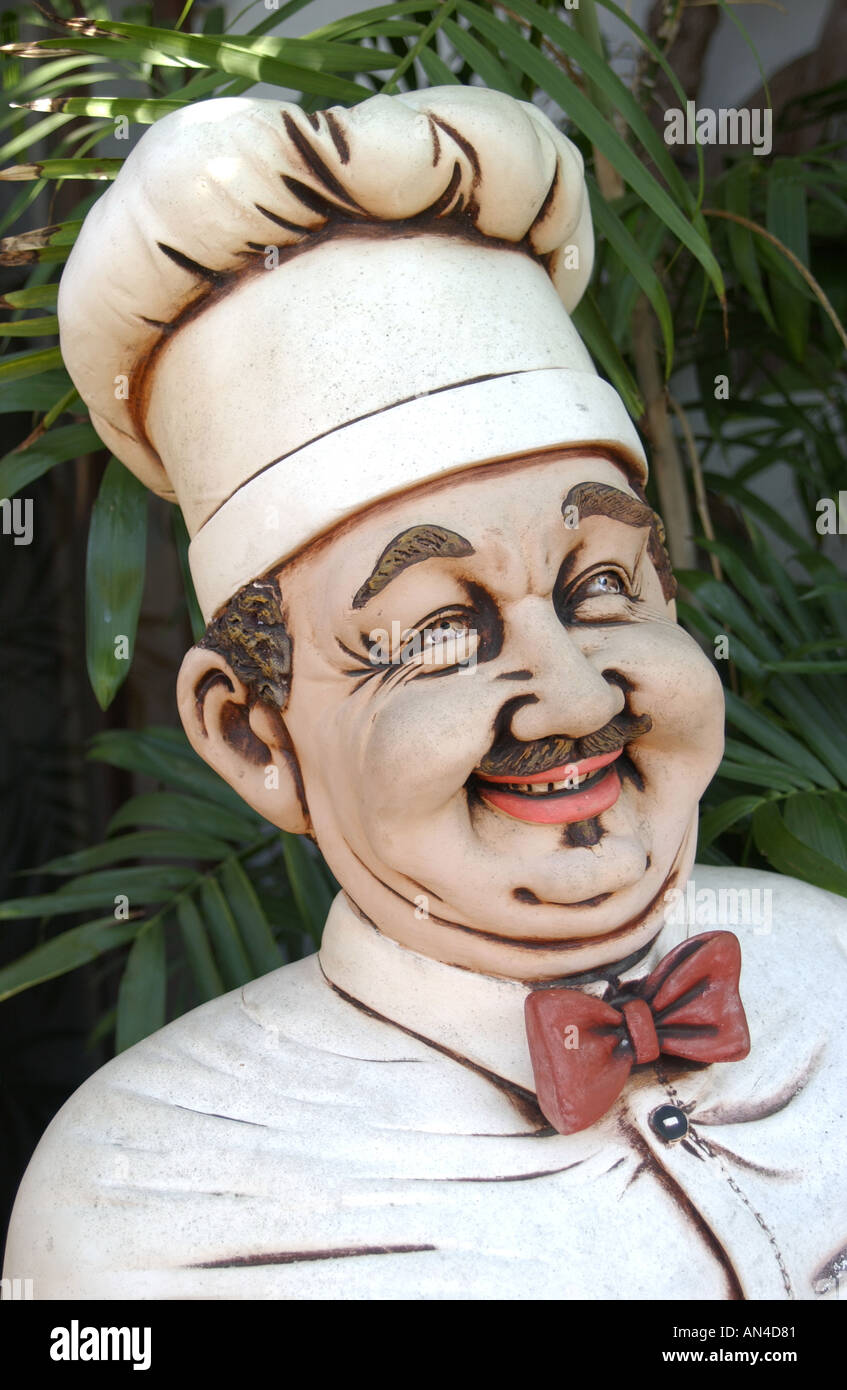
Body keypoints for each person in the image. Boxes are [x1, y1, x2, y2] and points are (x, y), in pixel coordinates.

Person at [4, 87, 846, 1301]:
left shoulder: (828, 960)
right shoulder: (145, 1211)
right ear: (252, 735)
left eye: (600, 583)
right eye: (441, 631)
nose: (566, 695)